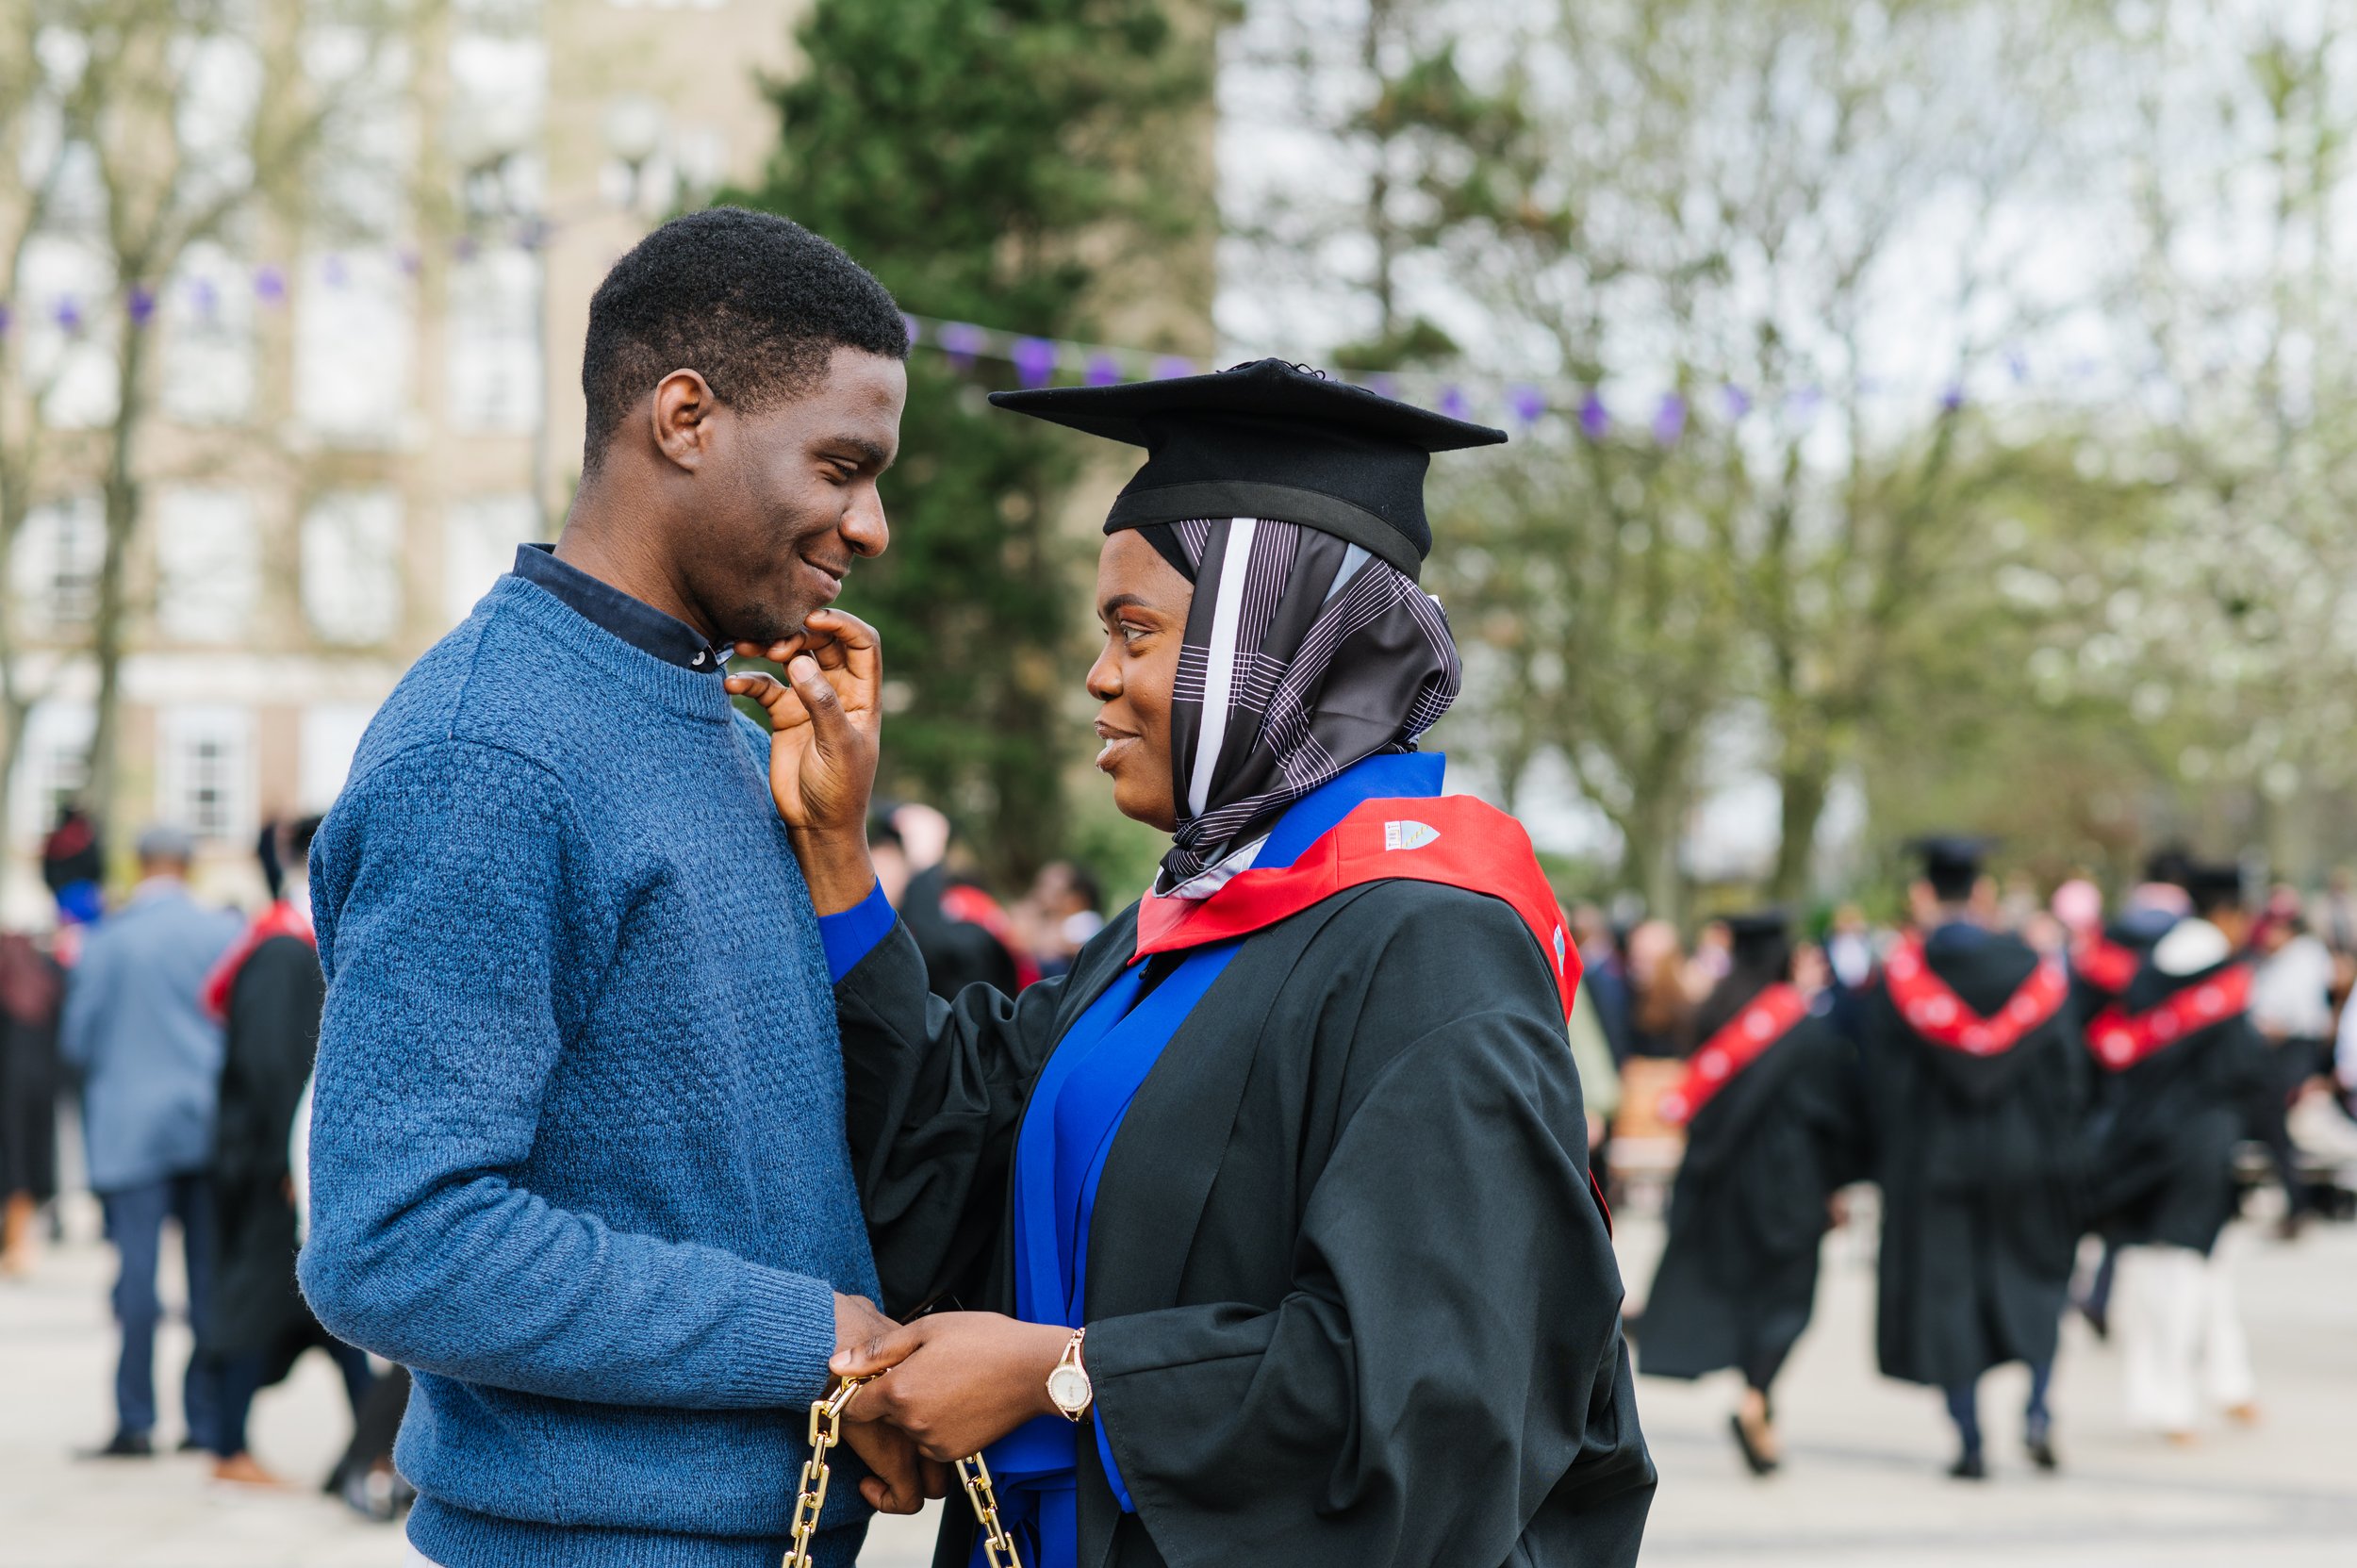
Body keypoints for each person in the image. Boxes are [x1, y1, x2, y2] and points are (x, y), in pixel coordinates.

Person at [731, 358, 1655, 1568]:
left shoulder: (1433, 943)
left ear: (1268, 641)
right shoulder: (1184, 916)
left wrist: (1065, 1379)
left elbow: (1437, 1393)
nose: (1097, 676)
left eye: (1136, 631)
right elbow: (962, 1142)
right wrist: (840, 856)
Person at [295, 209, 929, 1568]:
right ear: (686, 417)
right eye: (843, 464)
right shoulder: (491, 750)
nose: (871, 524)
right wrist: (816, 1338)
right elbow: (394, 1239)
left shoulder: (710, 710)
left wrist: (836, 852)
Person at [1856, 835, 2086, 1480]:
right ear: (1983, 895)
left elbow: (1878, 1083)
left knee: (1947, 1292)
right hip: (2029, 1159)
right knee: (2036, 1278)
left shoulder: (1901, 977)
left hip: (1935, 1164)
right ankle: (2039, 1407)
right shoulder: (2037, 971)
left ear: (1924, 895)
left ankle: (1970, 1439)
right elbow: (2070, 1078)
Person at [1639, 912, 1863, 1476]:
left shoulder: (1712, 1014)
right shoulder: (1805, 1029)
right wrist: (1836, 1185)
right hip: (1790, 1188)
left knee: (1736, 1289)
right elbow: (1831, 1114)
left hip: (1721, 1187)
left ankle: (1759, 1402)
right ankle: (1757, 1396)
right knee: (1787, 1298)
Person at [198, 815, 374, 1487]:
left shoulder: (297, 942)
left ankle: (361, 1450)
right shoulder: (280, 951)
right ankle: (227, 1443)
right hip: (277, 1167)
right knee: (259, 1307)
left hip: (293, 1164)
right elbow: (276, 1067)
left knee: (336, 1320)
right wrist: (293, 1161)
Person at [58, 823, 243, 1458]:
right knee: (206, 1277)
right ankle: (206, 1418)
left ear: (140, 863)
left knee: (136, 1277)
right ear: (189, 867)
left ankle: (135, 1418)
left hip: (130, 1125)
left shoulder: (108, 940)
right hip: (205, 1123)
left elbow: (77, 1039)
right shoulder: (223, 933)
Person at [2080, 861, 2267, 1443]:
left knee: (2154, 1271)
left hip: (2142, 1140)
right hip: (2201, 1143)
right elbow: (2245, 1072)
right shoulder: (2227, 981)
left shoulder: (2149, 968)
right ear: (2230, 914)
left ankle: (2188, 1391)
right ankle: (2176, 1403)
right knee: (2192, 1270)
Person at [2249, 895, 2334, 1234]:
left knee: (2277, 1121)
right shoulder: (2281, 959)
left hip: (2295, 1049)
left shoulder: (2305, 956)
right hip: (2283, 1050)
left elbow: (2293, 1016)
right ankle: (2295, 1201)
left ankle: (2299, 1202)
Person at [0, 928, 64, 1277]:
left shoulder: (10, 982)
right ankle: (20, 1244)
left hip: (11, 1089)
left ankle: (17, 1245)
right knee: (26, 1161)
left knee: (15, 1165)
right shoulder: (44, 982)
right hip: (41, 1085)